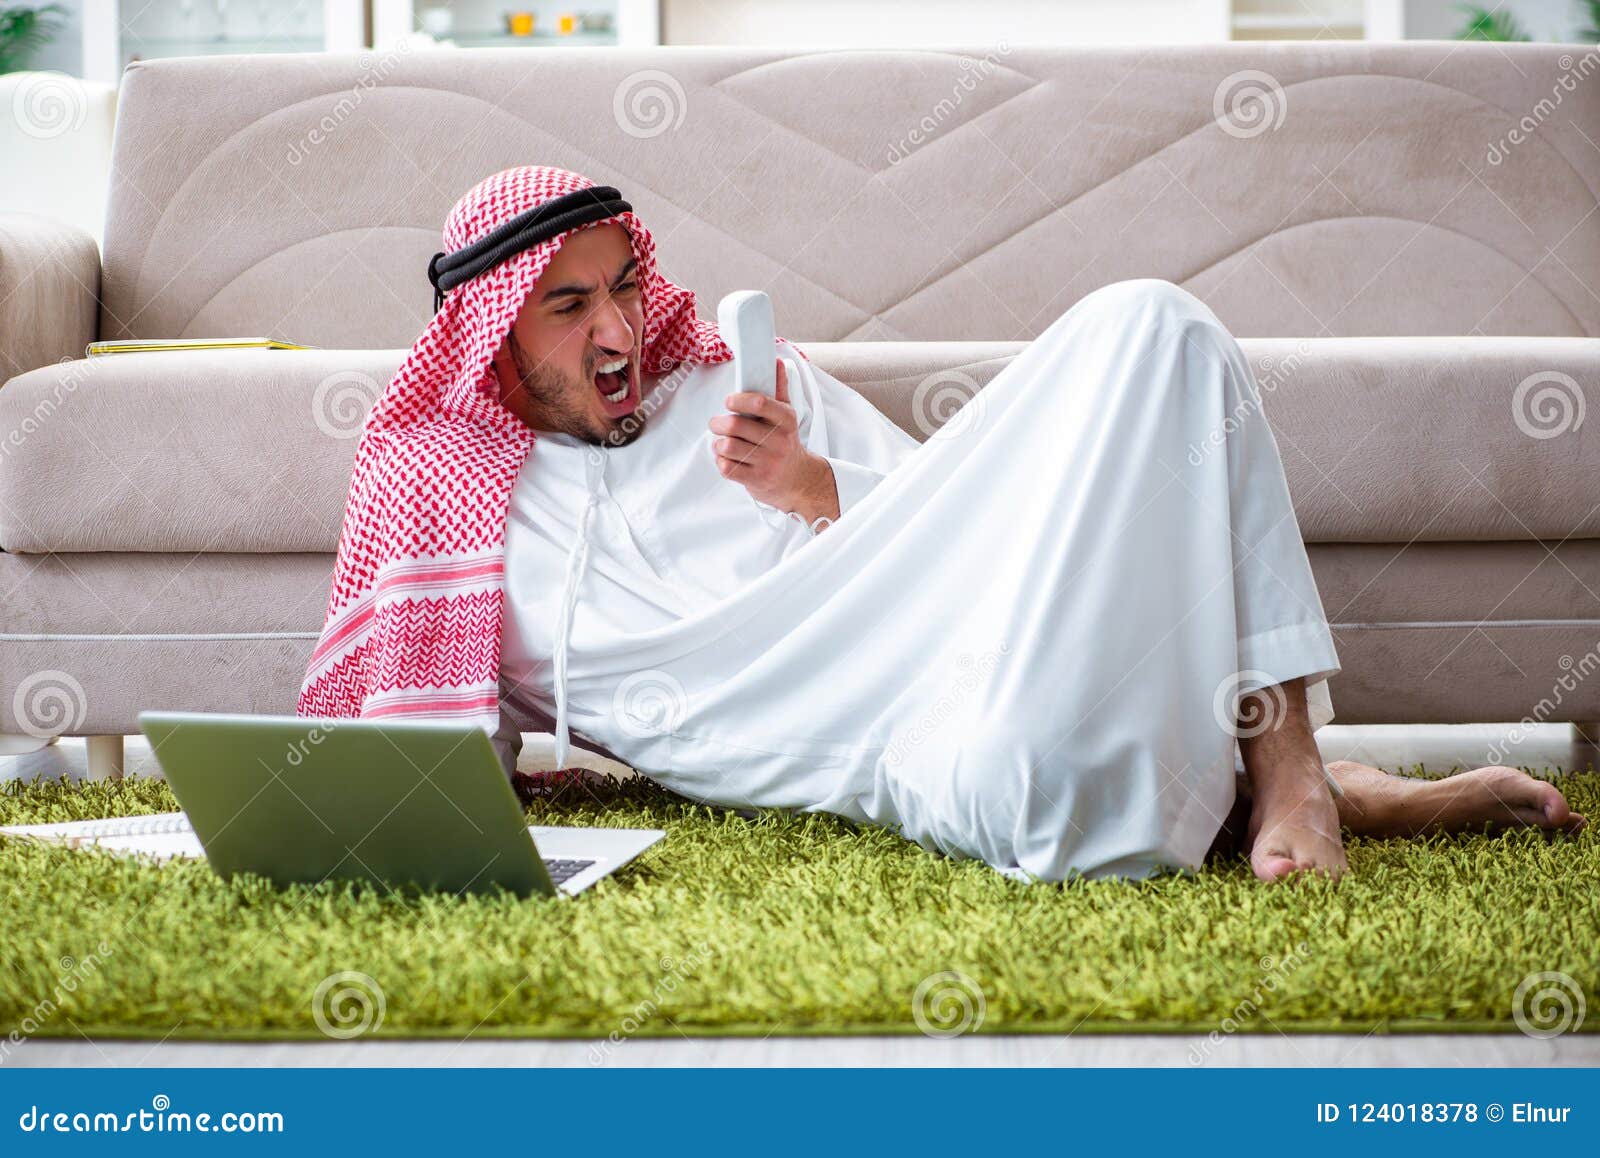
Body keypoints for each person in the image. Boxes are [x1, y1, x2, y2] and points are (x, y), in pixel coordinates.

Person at [301, 166, 1585, 884]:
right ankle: (1323, 797)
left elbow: (989, 533)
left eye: (626, 287)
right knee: (1064, 819)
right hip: (915, 760)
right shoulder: (443, 501)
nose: (622, 330)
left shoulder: (739, 388)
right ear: (491, 339)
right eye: (570, 307)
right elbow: (412, 748)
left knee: (1153, 322)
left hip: (951, 648)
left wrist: (814, 488)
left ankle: (1291, 759)